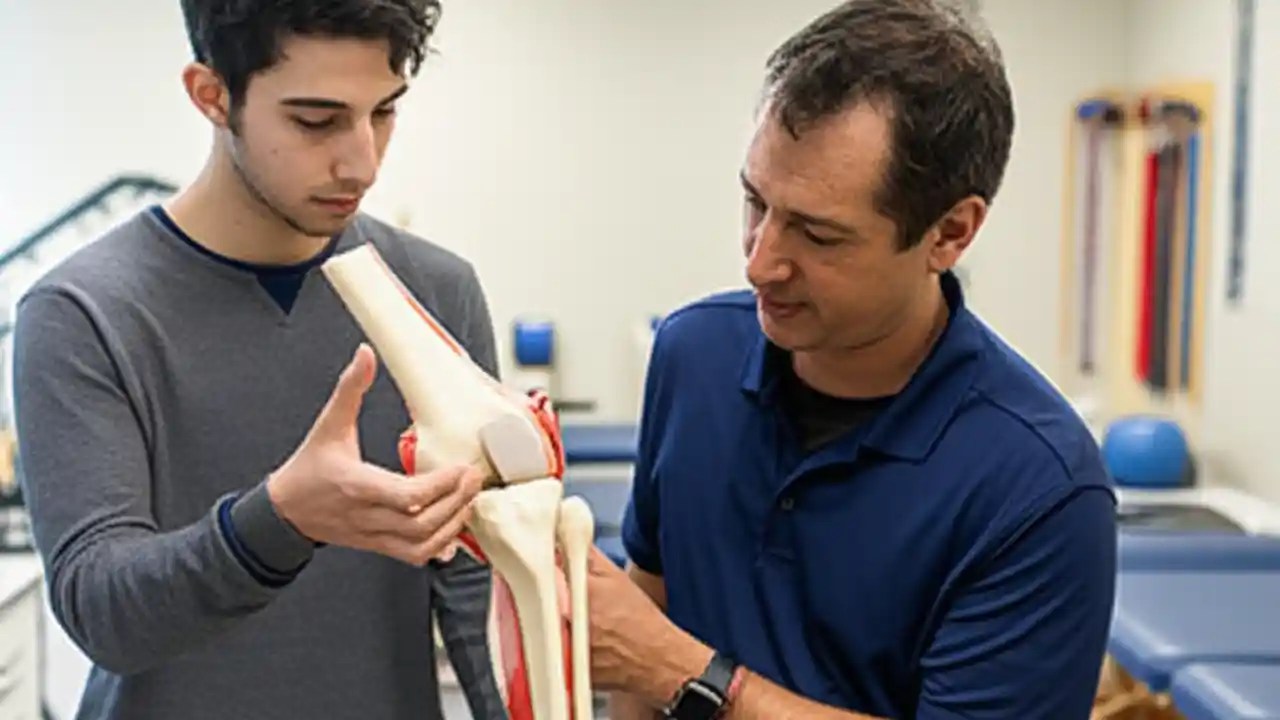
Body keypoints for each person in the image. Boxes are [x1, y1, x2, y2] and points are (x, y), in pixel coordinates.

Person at [583, 1, 1117, 719]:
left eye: (818, 235)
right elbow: (643, 626)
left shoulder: (1039, 489)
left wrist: (692, 675)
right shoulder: (691, 355)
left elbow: (658, 658)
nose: (761, 263)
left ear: (949, 233)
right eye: (755, 203)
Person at [11, 2, 508, 718]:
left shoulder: (436, 291)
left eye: (384, 113)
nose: (361, 161)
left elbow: (474, 596)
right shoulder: (83, 312)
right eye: (316, 121)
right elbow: (103, 611)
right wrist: (282, 519)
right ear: (211, 96)